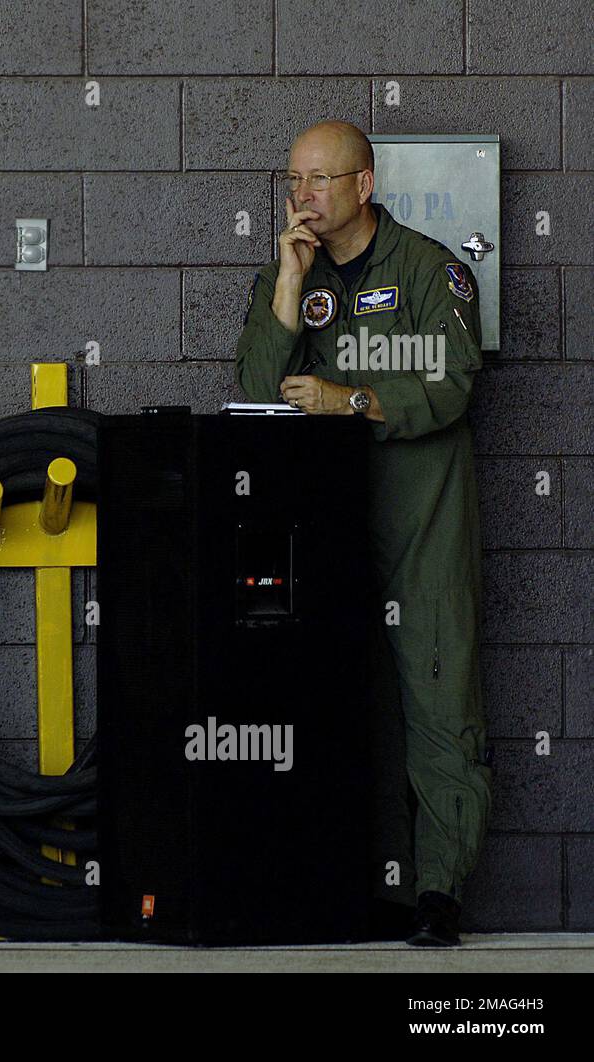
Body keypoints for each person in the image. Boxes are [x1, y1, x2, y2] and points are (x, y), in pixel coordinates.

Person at [234, 120, 492, 947]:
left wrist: (346, 400)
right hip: (331, 534)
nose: (301, 196)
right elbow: (256, 392)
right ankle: (358, 885)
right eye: (293, 180)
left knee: (438, 703)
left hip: (422, 529)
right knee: (340, 706)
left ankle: (438, 893)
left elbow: (450, 387)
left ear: (362, 186)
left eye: (317, 180)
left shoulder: (427, 270)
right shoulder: (297, 276)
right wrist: (285, 286)